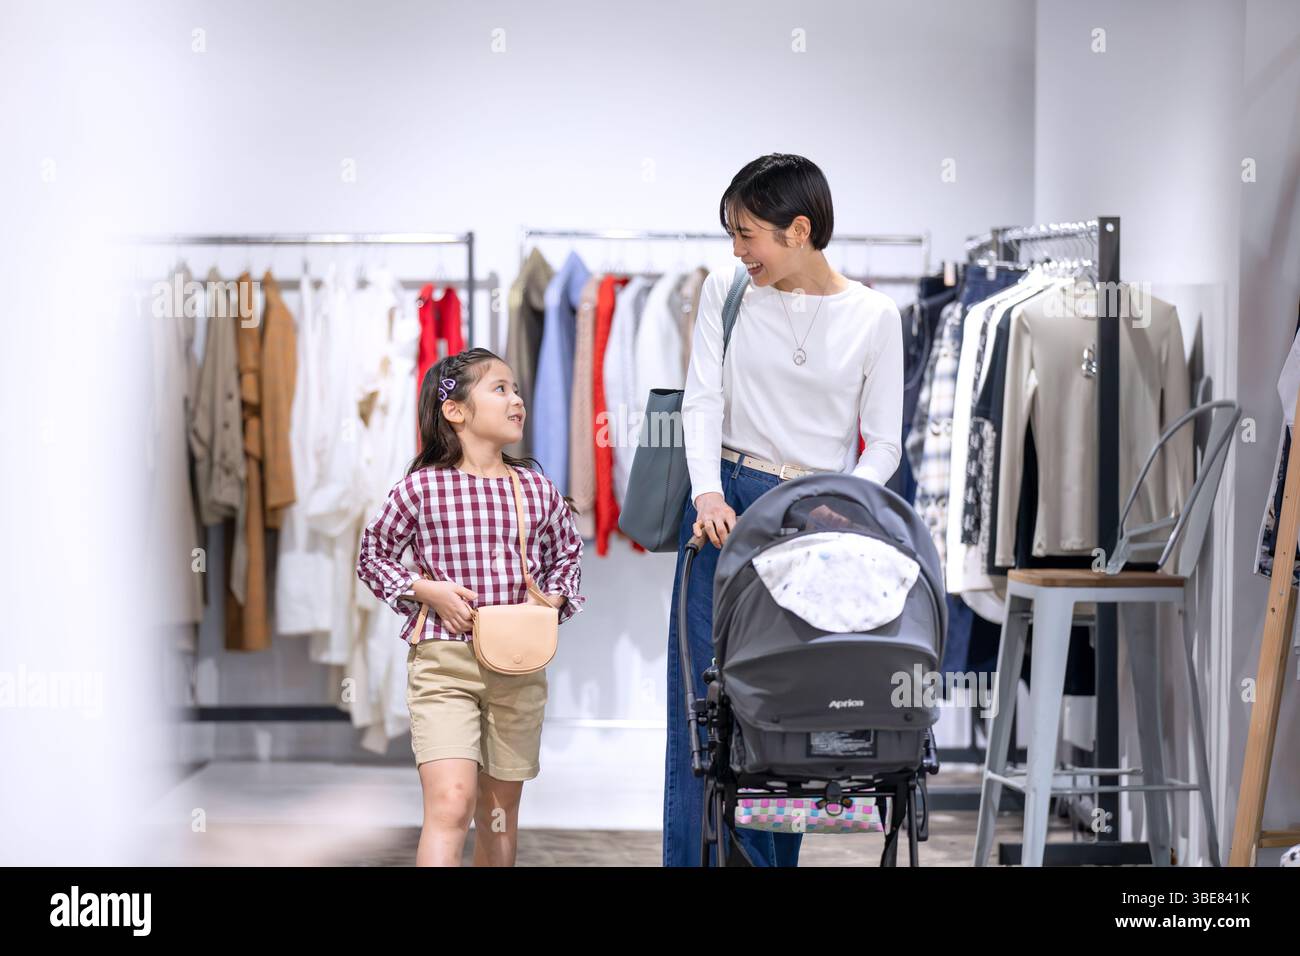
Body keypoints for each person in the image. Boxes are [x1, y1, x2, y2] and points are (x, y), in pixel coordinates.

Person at [664, 153, 904, 866]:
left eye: (748, 234)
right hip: (723, 507)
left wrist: (843, 503)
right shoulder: (726, 291)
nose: (738, 250)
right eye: (733, 235)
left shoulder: (873, 316)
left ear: (799, 229)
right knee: (699, 711)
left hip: (815, 519)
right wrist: (705, 488)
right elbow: (702, 398)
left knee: (787, 716)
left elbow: (884, 442)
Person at [357, 348, 585, 866]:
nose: (517, 400)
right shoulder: (420, 488)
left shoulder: (535, 487)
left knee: (499, 813)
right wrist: (424, 589)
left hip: (518, 667)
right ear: (455, 411)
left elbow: (566, 558)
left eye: (517, 389)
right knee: (450, 803)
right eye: (499, 389)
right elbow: (373, 555)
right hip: (443, 665)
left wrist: (553, 600)